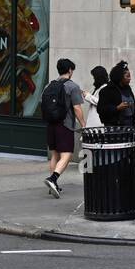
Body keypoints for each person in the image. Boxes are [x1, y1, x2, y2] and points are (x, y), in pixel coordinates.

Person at [43, 58, 86, 198]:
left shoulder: (49, 86)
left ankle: (52, 184)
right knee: (67, 154)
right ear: (70, 70)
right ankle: (53, 179)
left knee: (55, 154)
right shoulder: (72, 86)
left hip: (51, 124)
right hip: (65, 124)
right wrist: (83, 125)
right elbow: (77, 108)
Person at [97, 61, 135, 128]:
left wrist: (134, 123)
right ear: (120, 77)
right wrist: (117, 108)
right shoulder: (106, 91)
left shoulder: (128, 89)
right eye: (127, 76)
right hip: (114, 129)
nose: (130, 78)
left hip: (129, 127)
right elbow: (101, 109)